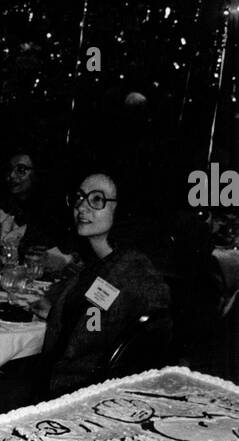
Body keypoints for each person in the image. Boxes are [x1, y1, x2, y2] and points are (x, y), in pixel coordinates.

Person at [41, 168, 171, 396]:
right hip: (74, 384)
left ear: (122, 209)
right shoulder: (108, 260)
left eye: (97, 200)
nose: (81, 207)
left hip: (81, 392)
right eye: (79, 197)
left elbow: (91, 335)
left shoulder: (129, 271)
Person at [0, 146, 64, 267]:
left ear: (37, 173)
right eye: (9, 169)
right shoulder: (0, 207)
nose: (12, 175)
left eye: (21, 170)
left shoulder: (50, 213)